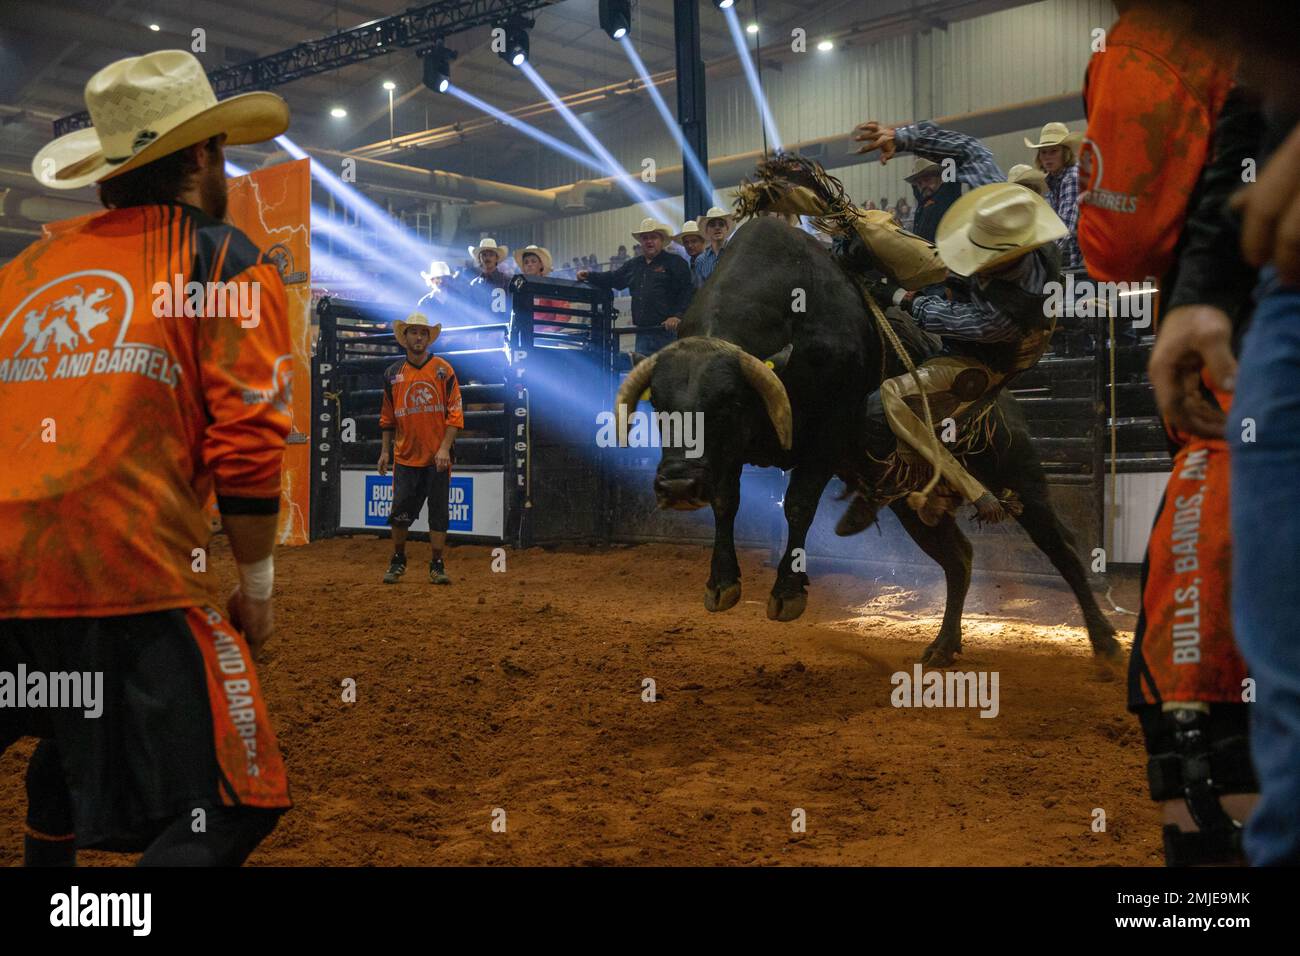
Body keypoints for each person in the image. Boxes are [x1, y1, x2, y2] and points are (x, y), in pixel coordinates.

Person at [5, 49, 293, 866]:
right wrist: (259, 587)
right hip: (119, 558)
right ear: (203, 154)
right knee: (236, 800)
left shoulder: (24, 269)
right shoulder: (219, 256)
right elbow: (247, 435)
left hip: (7, 566)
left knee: (68, 743)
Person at [838, 184, 1067, 531]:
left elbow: (951, 320)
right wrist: (901, 138)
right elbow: (970, 151)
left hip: (980, 363)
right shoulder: (1024, 239)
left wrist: (898, 296)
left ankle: (889, 486)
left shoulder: (1006, 316)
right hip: (982, 326)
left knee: (885, 402)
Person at [377, 313, 463, 585]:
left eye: (422, 333)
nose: (418, 337)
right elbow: (387, 417)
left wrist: (444, 449)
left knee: (438, 512)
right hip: (405, 456)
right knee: (400, 513)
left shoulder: (443, 370)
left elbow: (455, 414)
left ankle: (437, 563)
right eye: (413, 332)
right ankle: (398, 557)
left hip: (436, 457)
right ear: (406, 338)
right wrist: (385, 451)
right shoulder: (393, 374)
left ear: (428, 338)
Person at [854, 119, 1005, 243]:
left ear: (941, 176)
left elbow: (966, 152)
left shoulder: (948, 191)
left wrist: (905, 138)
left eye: (926, 178)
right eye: (919, 182)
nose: (923, 185)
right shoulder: (922, 206)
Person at [579, 217, 692, 356]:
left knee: (667, 372)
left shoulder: (675, 263)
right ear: (641, 242)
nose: (649, 241)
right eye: (645, 238)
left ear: (661, 240)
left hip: (666, 332)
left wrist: (677, 316)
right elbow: (614, 278)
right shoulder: (634, 265)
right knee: (644, 373)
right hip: (643, 332)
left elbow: (686, 291)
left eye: (653, 237)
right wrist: (590, 276)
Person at [1024, 122, 1084, 270]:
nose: (1047, 157)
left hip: (1085, 260)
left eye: (1053, 151)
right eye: (1044, 152)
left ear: (1065, 153)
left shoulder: (1072, 177)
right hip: (1075, 259)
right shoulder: (1052, 183)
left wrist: (1043, 261)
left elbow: (1064, 227)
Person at [514, 244, 568, 330]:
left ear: (541, 265)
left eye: (533, 261)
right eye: (526, 262)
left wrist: (552, 329)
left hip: (544, 337)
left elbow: (564, 311)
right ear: (523, 267)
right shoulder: (519, 285)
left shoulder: (550, 285)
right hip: (525, 333)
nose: (529, 265)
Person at [466, 238, 510, 321]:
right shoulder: (474, 284)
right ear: (479, 258)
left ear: (496, 258)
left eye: (491, 255)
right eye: (484, 255)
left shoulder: (507, 281)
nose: (487, 258)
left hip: (502, 329)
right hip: (481, 330)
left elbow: (511, 308)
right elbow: (471, 310)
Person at [694, 205, 733, 285]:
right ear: (707, 230)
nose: (717, 228)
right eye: (712, 225)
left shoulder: (735, 253)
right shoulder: (700, 260)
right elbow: (701, 290)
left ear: (727, 228)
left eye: (721, 224)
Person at [677, 221, 707, 288]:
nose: (689, 246)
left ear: (703, 241)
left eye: (694, 241)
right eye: (686, 242)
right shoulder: (688, 263)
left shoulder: (709, 262)